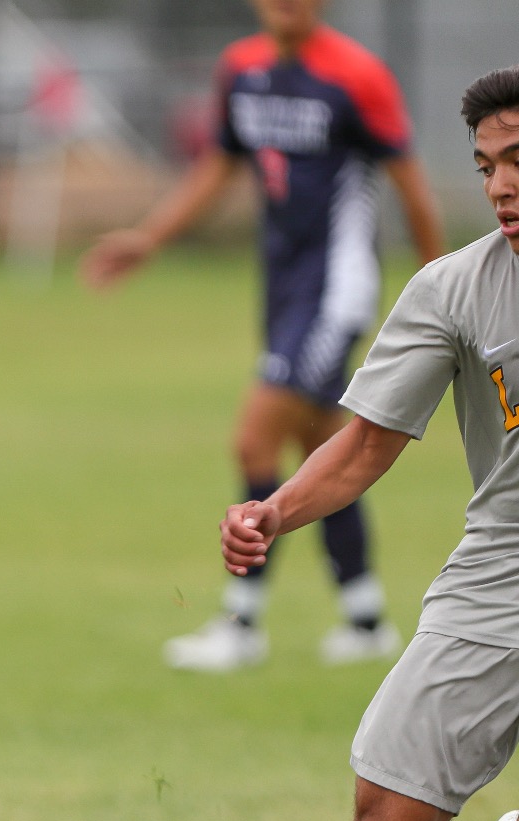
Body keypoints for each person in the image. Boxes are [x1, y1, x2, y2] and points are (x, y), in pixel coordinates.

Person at [213, 66, 519, 821]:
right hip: (500, 579)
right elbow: (364, 444)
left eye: (518, 160)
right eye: (485, 165)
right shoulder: (453, 288)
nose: (499, 185)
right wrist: (274, 511)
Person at [81, 0, 444, 672]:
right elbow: (219, 164)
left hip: (334, 291)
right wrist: (149, 238)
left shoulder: (357, 76)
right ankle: (365, 619)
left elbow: (411, 186)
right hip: (280, 288)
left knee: (255, 438)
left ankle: (240, 625)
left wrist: (445, 296)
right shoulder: (241, 69)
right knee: (320, 444)